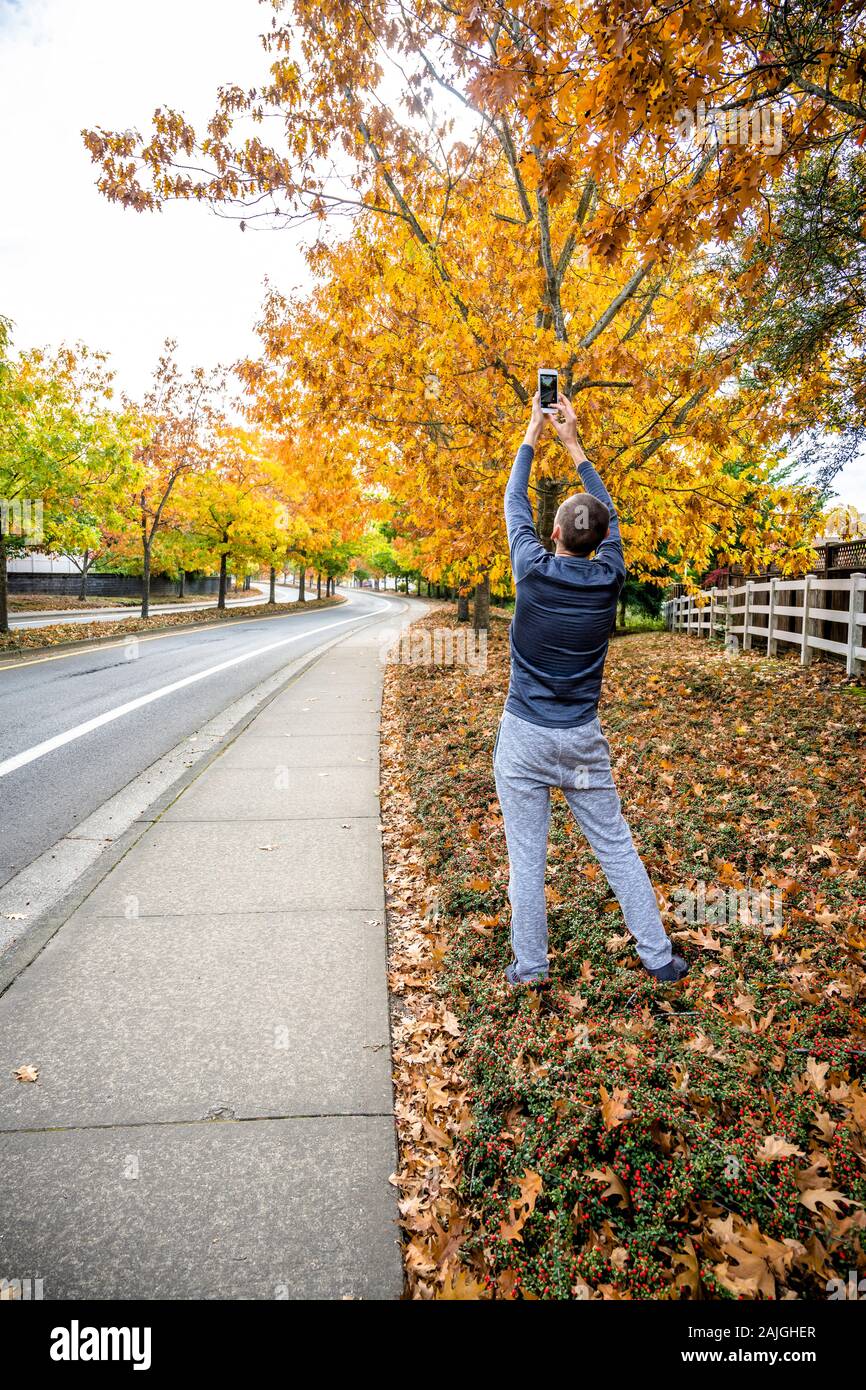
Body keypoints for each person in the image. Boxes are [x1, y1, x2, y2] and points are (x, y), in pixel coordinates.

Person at [494, 390, 688, 986]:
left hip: (524, 738)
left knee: (528, 859)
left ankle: (530, 969)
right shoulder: (610, 577)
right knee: (615, 847)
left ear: (552, 530)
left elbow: (513, 502)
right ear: (602, 541)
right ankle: (658, 958)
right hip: (580, 741)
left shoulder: (530, 566)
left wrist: (533, 431)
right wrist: (574, 443)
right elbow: (609, 516)